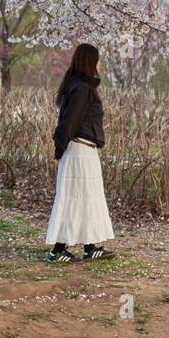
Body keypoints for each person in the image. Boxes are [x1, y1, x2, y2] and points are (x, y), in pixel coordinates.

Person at [46, 43, 116, 263]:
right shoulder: (82, 89)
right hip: (78, 152)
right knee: (74, 197)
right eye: (97, 60)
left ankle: (90, 247)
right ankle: (57, 251)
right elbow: (69, 122)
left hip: (85, 152)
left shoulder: (81, 86)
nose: (100, 64)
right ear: (90, 62)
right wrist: (59, 149)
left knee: (86, 197)